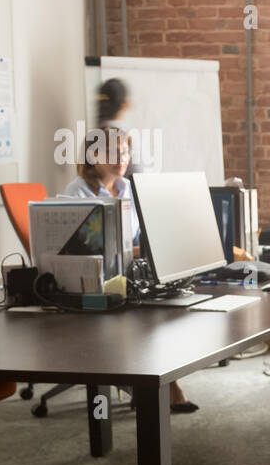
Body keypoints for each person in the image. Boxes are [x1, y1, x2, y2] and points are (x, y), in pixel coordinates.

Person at [63, 121, 198, 413]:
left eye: (125, 153)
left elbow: (138, 237)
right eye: (113, 153)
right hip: (96, 277)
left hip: (128, 271)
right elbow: (78, 246)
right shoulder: (77, 192)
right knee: (145, 313)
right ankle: (153, 384)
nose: (122, 159)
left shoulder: (128, 188)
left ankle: (154, 380)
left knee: (171, 302)